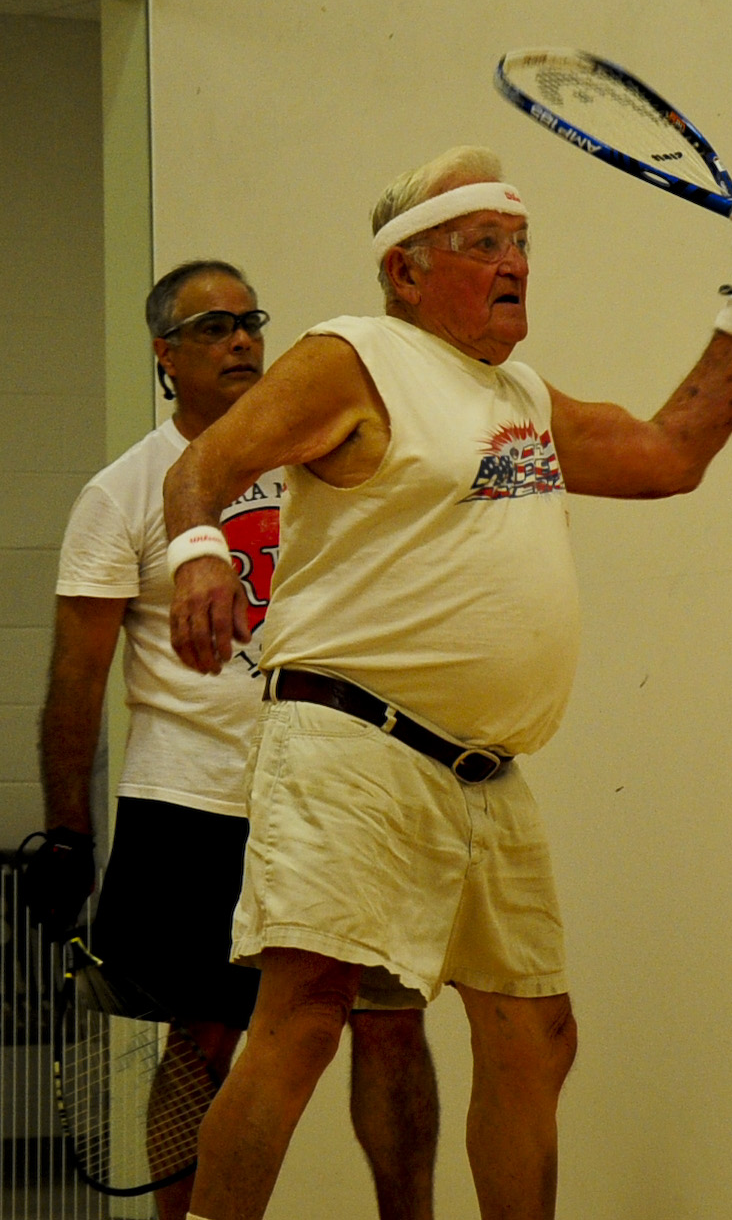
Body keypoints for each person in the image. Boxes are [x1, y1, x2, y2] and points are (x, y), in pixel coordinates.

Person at [163, 145, 732, 1220]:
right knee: (305, 1021)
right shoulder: (354, 356)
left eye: (520, 245)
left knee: (535, 1037)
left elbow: (665, 454)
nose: (513, 263)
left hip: (487, 780)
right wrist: (196, 552)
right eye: (482, 244)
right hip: (351, 748)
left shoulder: (519, 392)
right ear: (406, 272)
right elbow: (208, 463)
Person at [23, 260, 440, 1220]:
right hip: (190, 804)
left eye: (251, 321)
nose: (243, 341)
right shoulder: (121, 492)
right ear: (164, 355)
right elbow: (76, 680)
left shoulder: (322, 462)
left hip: (338, 791)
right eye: (213, 327)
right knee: (201, 1038)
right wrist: (67, 835)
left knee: (387, 1025)